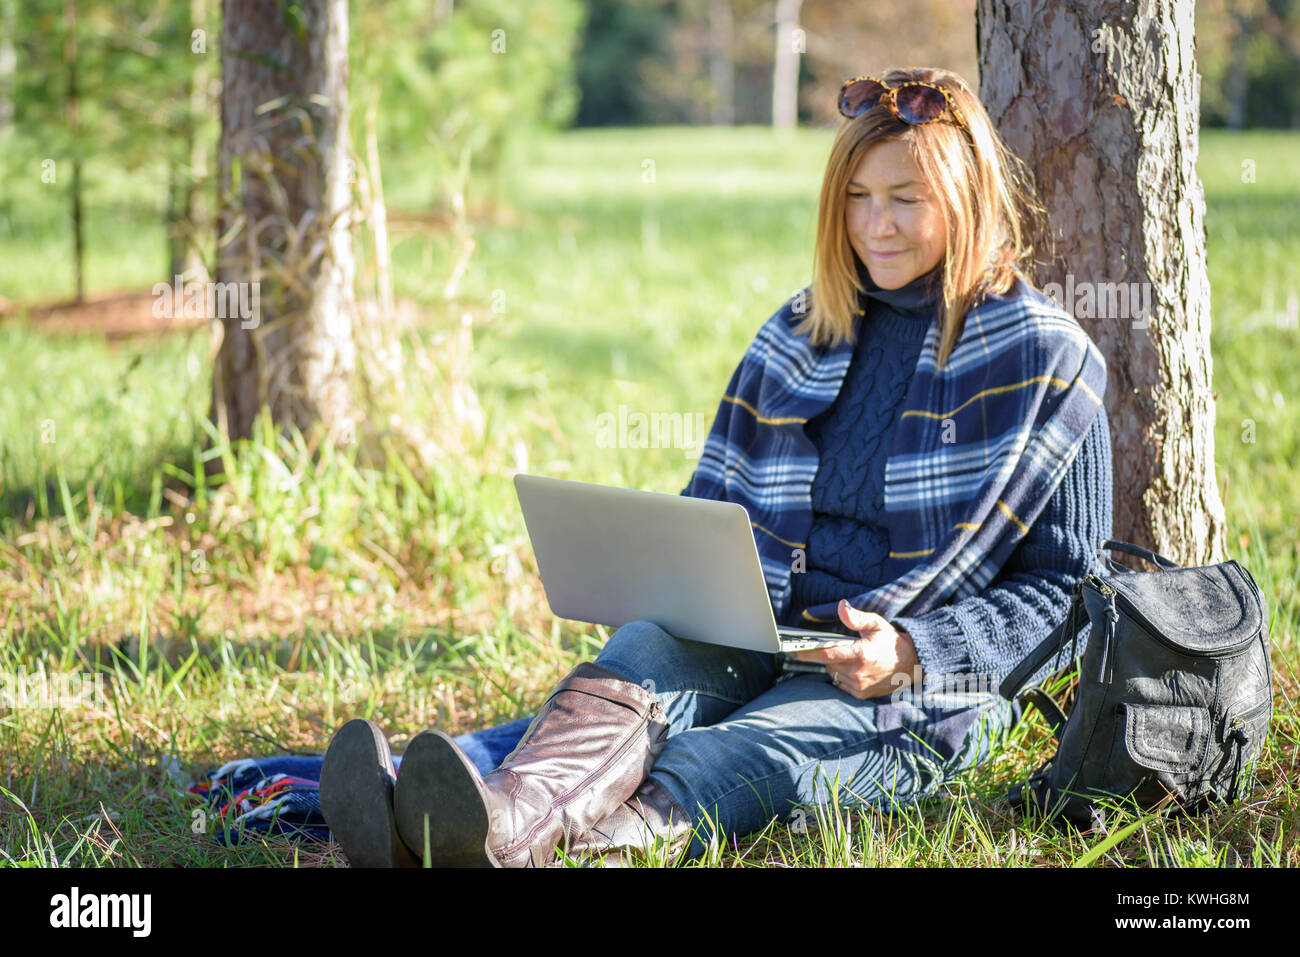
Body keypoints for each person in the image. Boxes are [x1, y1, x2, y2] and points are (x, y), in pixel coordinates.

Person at [319, 66, 1114, 868]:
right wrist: (674, 585)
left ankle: (536, 852)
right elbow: (712, 511)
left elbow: (1065, 597)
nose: (876, 225)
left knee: (715, 758)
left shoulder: (1044, 362)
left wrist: (914, 649)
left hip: (916, 684)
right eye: (856, 197)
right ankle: (496, 821)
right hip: (765, 634)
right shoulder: (800, 333)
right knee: (631, 675)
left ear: (967, 199)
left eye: (905, 199)